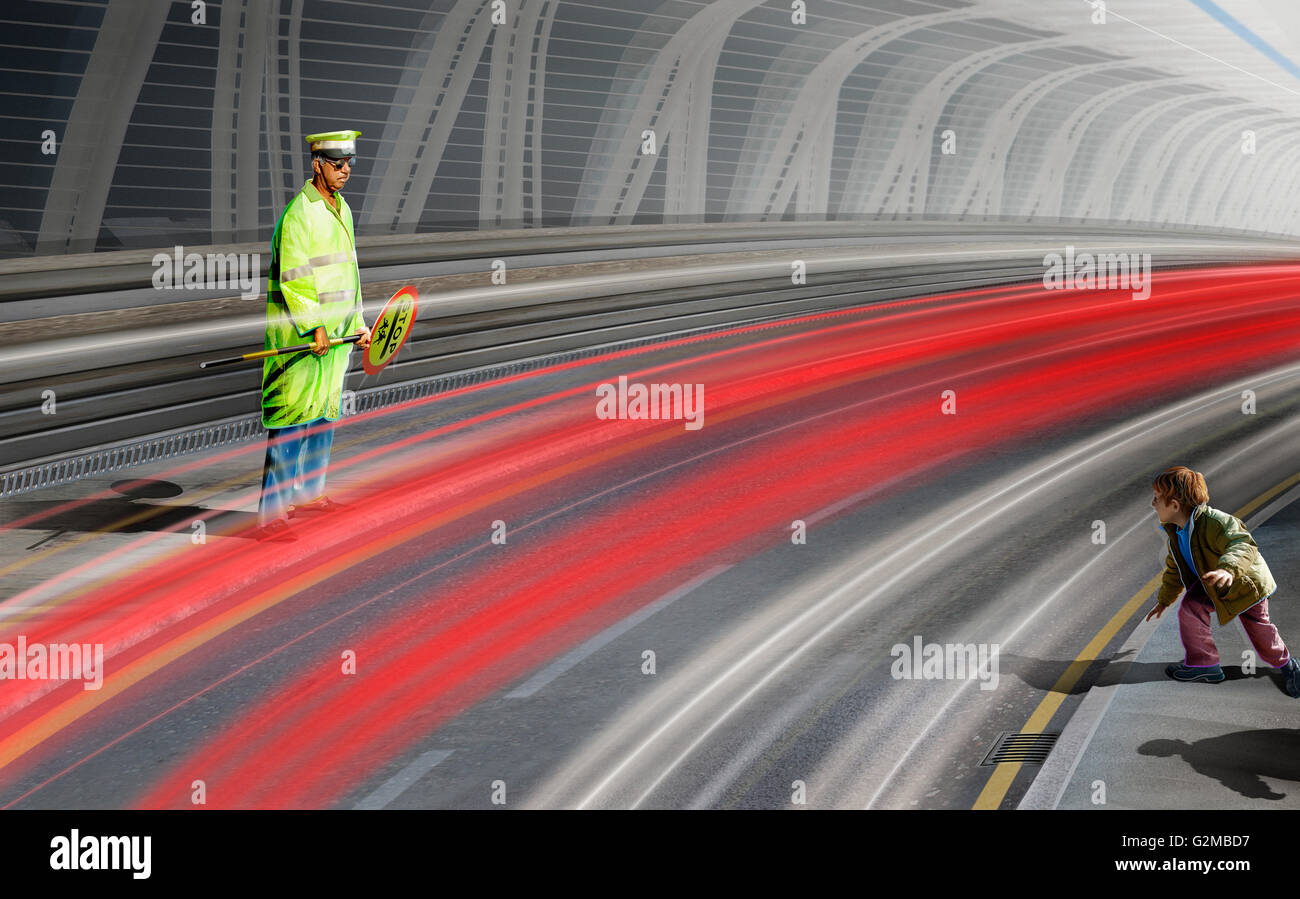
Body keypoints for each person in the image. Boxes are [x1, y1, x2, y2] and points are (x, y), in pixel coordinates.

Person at [254, 129, 371, 541]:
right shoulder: (299, 214)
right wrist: (315, 326)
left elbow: (350, 274)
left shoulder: (342, 209)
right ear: (317, 164)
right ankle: (272, 517)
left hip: (336, 340)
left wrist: (358, 323)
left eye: (349, 163)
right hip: (303, 341)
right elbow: (295, 279)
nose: (345, 171)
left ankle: (308, 496)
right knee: (291, 421)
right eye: (337, 163)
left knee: (323, 416)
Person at [1145, 465, 1300, 697]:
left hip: (1246, 585)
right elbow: (1174, 571)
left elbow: (1242, 544)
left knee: (1261, 635)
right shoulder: (1175, 533)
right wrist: (1164, 600)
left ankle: (1290, 667)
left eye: (1157, 499)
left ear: (1175, 505)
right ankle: (1204, 665)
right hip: (1213, 583)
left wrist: (1228, 569)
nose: (1153, 504)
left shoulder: (1215, 522)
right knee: (1191, 608)